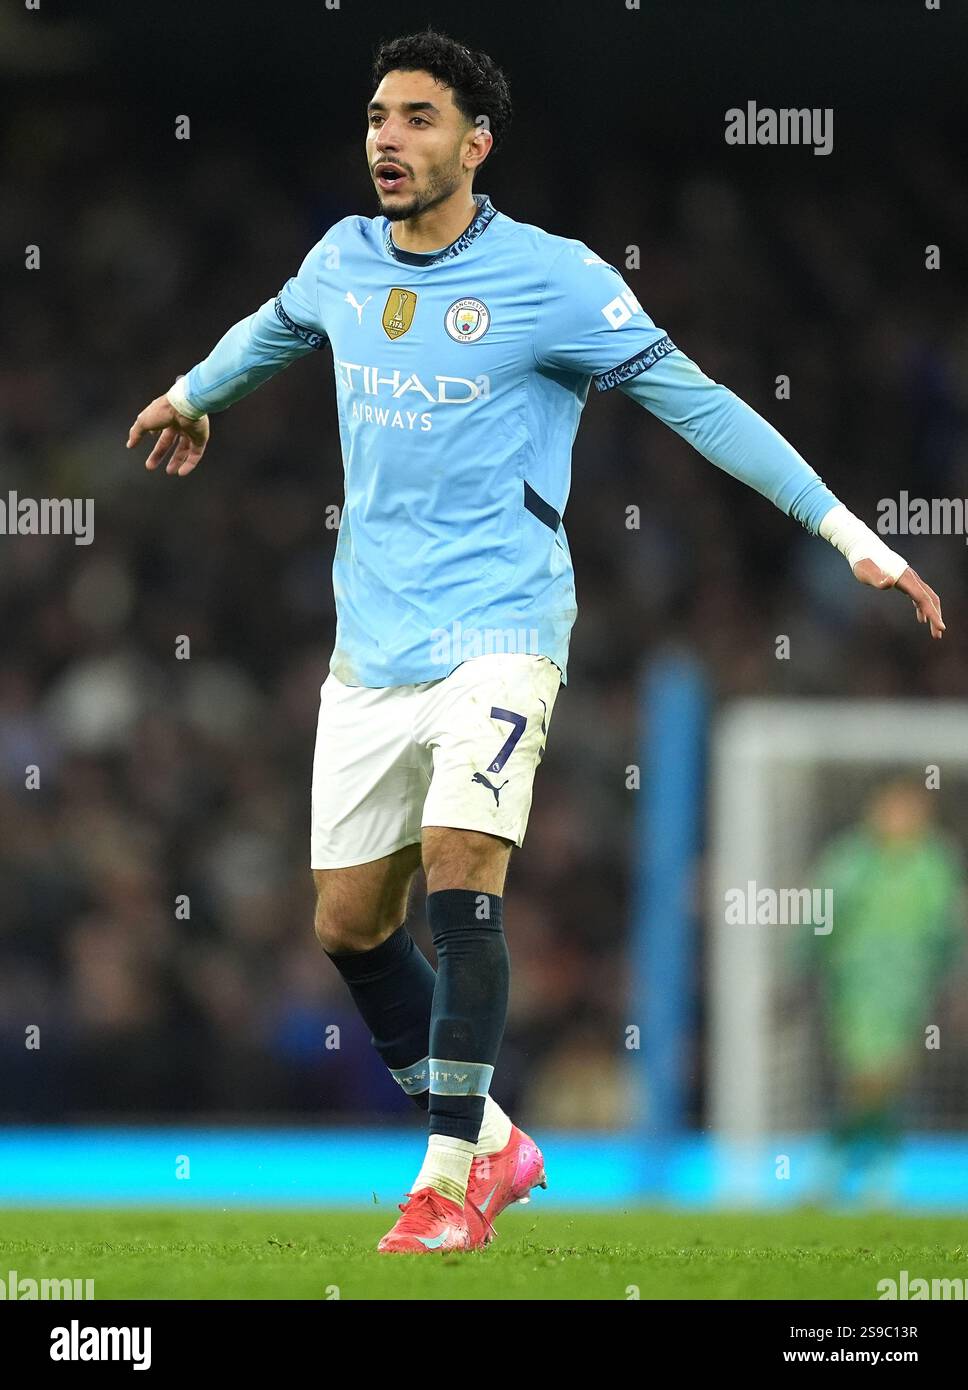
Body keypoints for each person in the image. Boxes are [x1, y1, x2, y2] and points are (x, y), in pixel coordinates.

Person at [127, 28, 944, 1252]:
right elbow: (273, 326)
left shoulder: (554, 279)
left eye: (413, 119)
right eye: (375, 118)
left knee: (464, 861)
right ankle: (497, 1134)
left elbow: (699, 402)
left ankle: (450, 1180)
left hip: (501, 626)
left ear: (474, 142)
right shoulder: (344, 260)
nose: (386, 140)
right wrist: (194, 393)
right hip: (371, 645)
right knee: (347, 925)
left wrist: (843, 530)